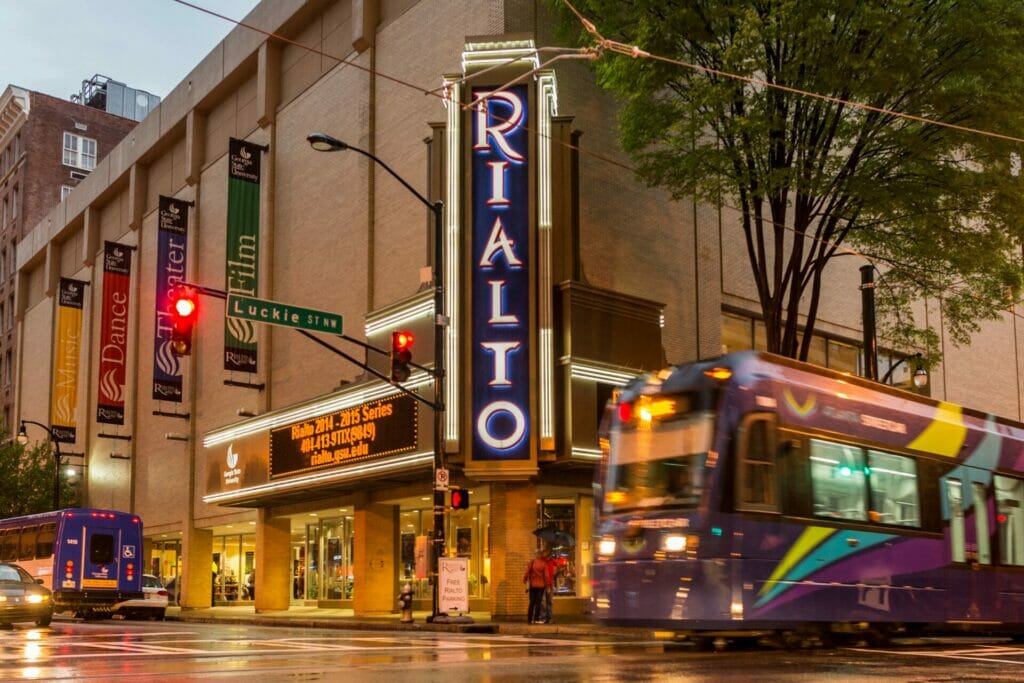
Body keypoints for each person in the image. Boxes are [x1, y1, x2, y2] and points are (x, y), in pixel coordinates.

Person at [523, 548, 552, 624]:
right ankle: (536, 619)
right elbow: (546, 576)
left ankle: (529, 619)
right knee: (538, 603)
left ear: (535, 555)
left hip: (532, 585)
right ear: (540, 555)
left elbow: (526, 572)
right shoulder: (543, 564)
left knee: (531, 602)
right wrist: (548, 585)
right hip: (541, 586)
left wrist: (525, 580)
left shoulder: (531, 562)